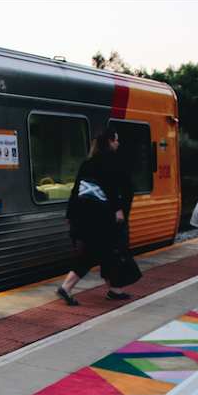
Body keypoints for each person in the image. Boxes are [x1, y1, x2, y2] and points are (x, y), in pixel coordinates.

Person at [55, 127, 134, 305]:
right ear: (109, 141)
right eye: (116, 140)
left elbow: (76, 189)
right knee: (91, 252)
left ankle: (113, 289)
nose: (118, 143)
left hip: (86, 215)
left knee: (106, 251)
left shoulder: (88, 162)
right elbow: (110, 186)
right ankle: (66, 288)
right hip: (101, 216)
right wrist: (117, 209)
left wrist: (70, 213)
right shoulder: (109, 160)